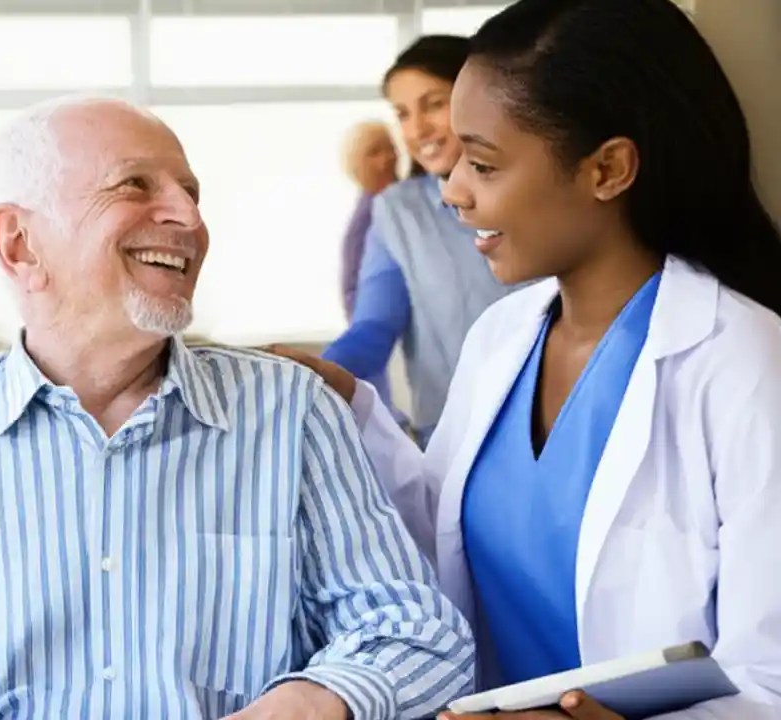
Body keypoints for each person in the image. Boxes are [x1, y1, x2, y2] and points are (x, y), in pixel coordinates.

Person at [0, 96, 476, 719]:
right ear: (19, 243)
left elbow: (415, 629)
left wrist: (317, 698)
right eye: (135, 186)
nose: (187, 216)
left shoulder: (291, 413)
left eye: (192, 191)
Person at [278, 1, 781, 718]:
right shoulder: (503, 336)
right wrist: (348, 404)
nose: (452, 191)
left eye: (481, 163)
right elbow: (445, 537)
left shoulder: (742, 361)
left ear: (607, 168)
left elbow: (770, 676)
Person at [322, 36, 512, 447]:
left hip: (552, 430)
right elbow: (373, 325)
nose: (416, 130)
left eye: (433, 104)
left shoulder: (533, 194)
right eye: (402, 114)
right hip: (449, 441)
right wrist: (315, 373)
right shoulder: (397, 211)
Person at [338, 120, 398, 320]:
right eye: (374, 153)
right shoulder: (364, 222)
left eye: (390, 148)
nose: (387, 158)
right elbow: (352, 296)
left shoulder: (410, 201)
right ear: (356, 165)